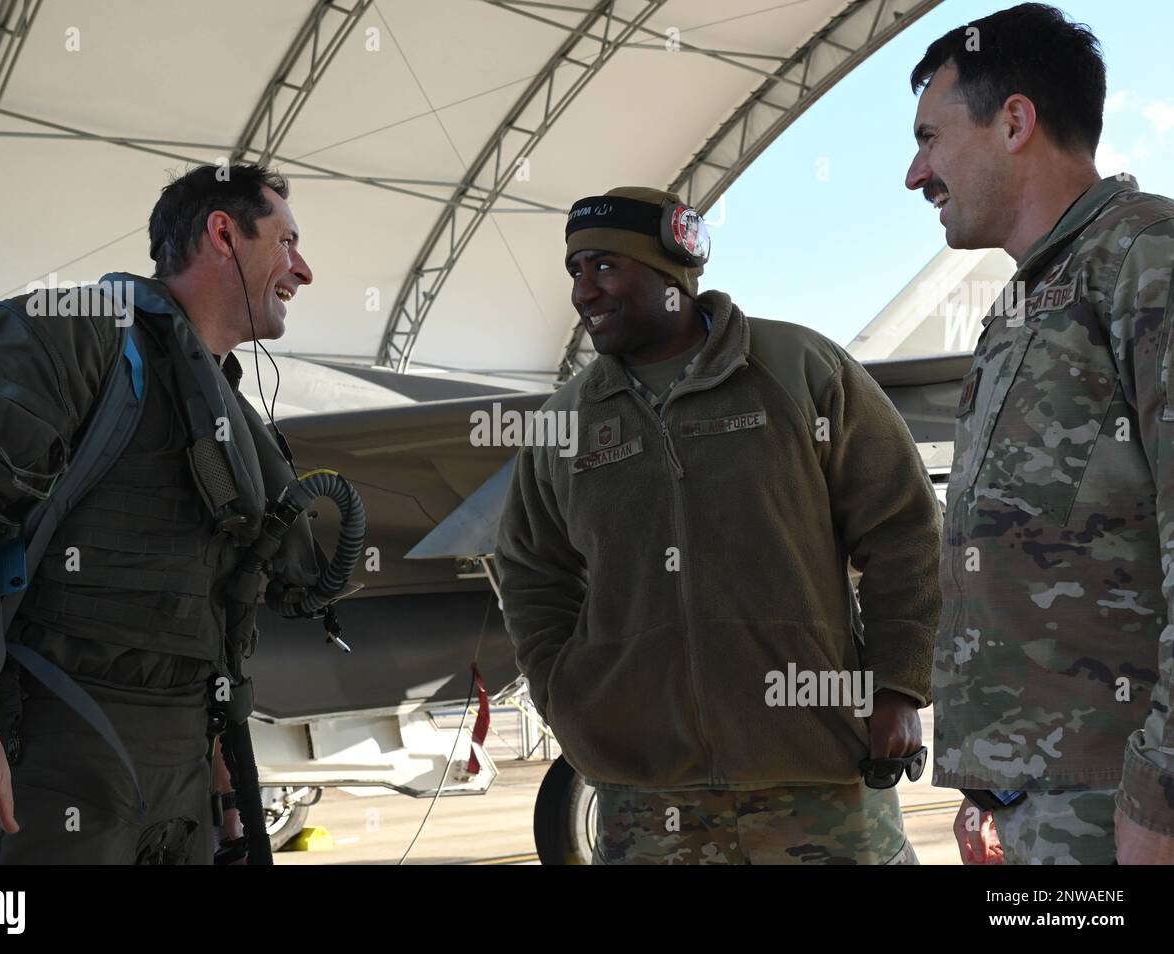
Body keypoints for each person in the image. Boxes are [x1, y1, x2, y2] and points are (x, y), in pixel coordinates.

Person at [0, 162, 317, 864]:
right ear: (224, 234)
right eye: (287, 242)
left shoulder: (223, 407)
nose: (303, 270)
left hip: (174, 783)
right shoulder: (81, 332)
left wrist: (219, 780)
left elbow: (198, 614)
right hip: (50, 760)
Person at [494, 185, 942, 864]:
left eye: (606, 266)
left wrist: (898, 685)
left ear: (672, 270)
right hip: (644, 799)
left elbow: (904, 528)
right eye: (575, 271)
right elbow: (530, 571)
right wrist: (570, 700)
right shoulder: (565, 423)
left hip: (815, 777)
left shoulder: (798, 371)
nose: (585, 292)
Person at [905, 3, 1174, 864]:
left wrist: (1158, 804)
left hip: (1123, 819)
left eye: (931, 137)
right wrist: (993, 786)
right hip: (1043, 816)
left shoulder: (1143, 260)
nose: (916, 173)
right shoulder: (1024, 305)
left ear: (1015, 121)